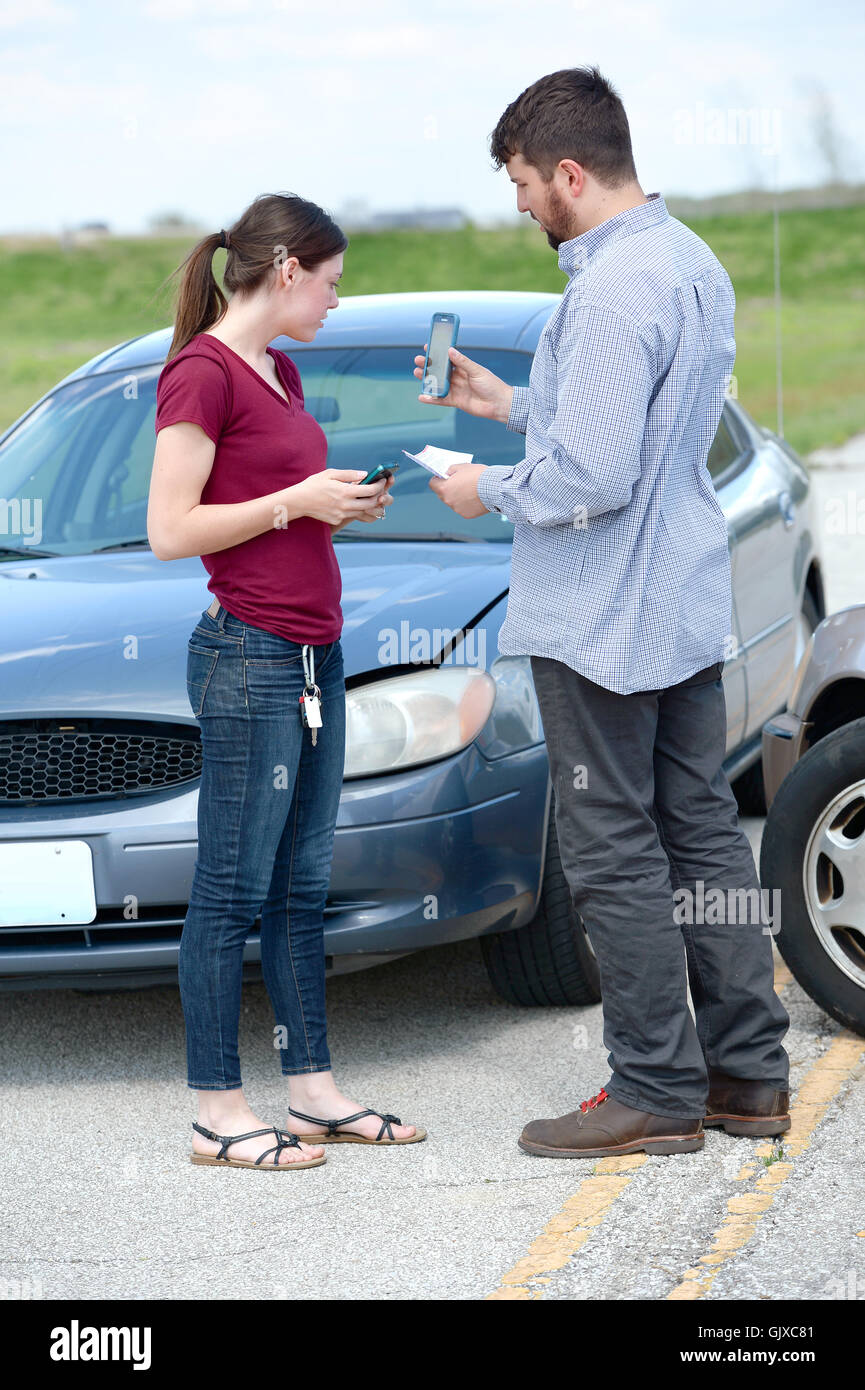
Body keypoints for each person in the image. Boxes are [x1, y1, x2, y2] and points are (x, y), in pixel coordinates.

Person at [414, 67, 790, 1159]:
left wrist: (484, 486)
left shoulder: (611, 290)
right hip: (675, 604)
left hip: (599, 615)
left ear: (571, 173)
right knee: (703, 832)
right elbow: (628, 421)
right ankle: (747, 1076)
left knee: (615, 850)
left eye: (527, 183)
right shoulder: (689, 264)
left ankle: (653, 1091)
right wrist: (505, 403)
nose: (522, 204)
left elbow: (590, 474)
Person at [148, 192, 425, 1169]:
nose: (336, 302)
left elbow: (276, 503)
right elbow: (171, 530)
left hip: (313, 655)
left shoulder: (282, 370)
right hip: (249, 662)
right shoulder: (200, 375)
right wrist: (290, 503)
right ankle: (215, 1109)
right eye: (332, 283)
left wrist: (331, 508)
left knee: (302, 886)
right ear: (287, 270)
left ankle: (311, 1090)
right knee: (230, 889)